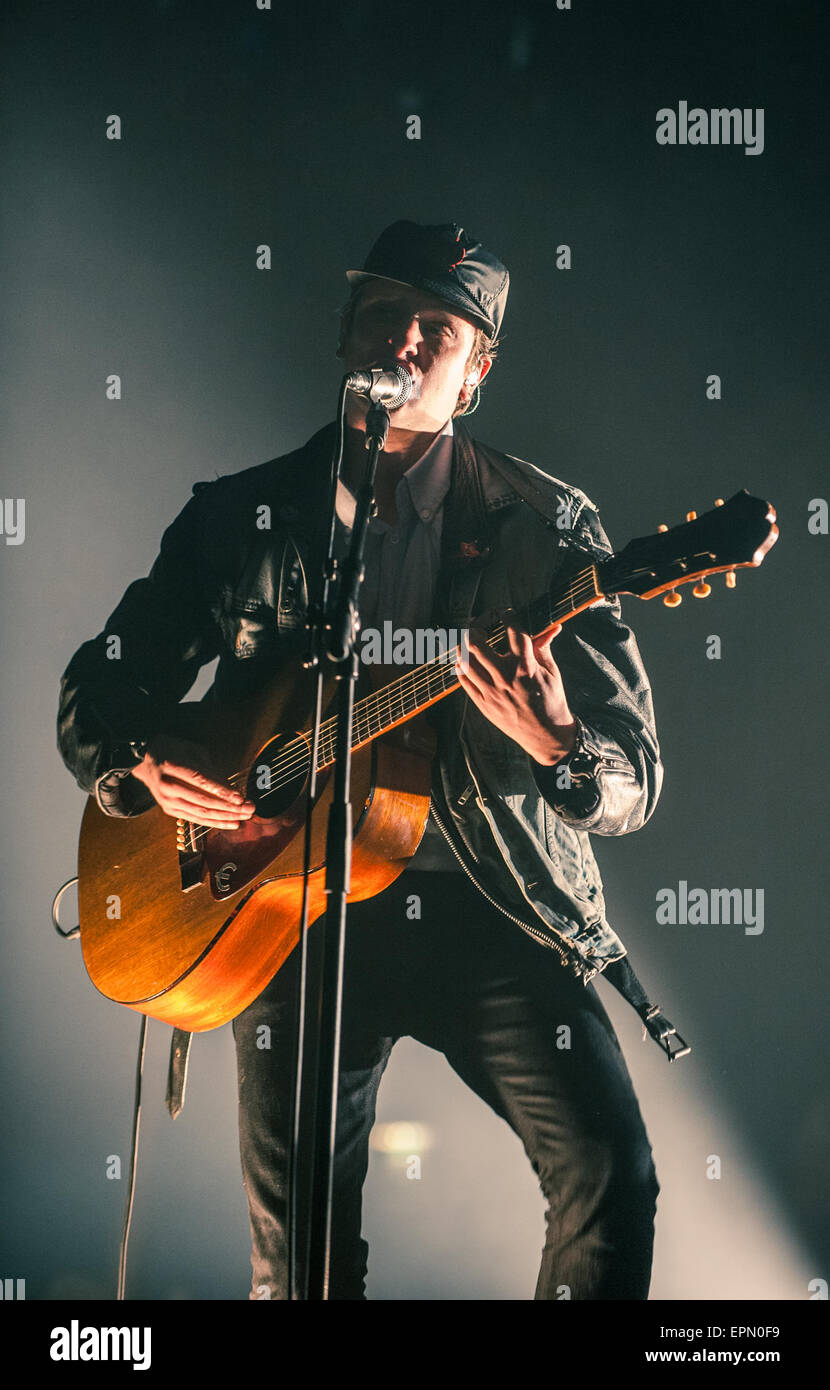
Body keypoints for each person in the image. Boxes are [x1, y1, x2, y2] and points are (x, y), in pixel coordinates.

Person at [58, 219, 684, 1301]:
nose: (403, 340)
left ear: (474, 373)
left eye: (436, 330)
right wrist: (142, 761)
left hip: (491, 904)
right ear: (346, 326)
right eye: (384, 312)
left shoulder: (547, 528)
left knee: (608, 1176)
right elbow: (102, 680)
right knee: (296, 1253)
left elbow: (630, 775)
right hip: (288, 909)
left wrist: (560, 746)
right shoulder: (240, 518)